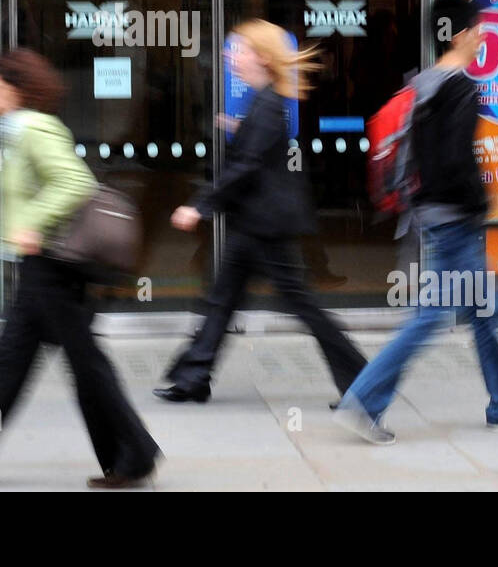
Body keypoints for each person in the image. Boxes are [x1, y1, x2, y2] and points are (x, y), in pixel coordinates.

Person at [0, 49, 160, 488]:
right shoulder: (17, 128)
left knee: (82, 365)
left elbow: (75, 182)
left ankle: (136, 453)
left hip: (53, 267)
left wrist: (31, 225)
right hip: (40, 265)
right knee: (9, 364)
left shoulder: (34, 128)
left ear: (18, 89)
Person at [333, 0, 498, 444]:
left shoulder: (424, 83)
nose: (484, 35)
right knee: (430, 317)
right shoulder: (460, 88)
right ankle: (365, 399)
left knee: (486, 309)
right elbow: (453, 163)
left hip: (433, 215)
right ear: (460, 34)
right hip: (456, 221)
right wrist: (479, 202)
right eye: (479, 28)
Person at [154, 20, 368, 403]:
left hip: (266, 225)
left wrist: (199, 205)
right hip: (253, 221)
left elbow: (247, 165)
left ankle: (363, 385)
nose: (228, 54)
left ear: (262, 58)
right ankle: (193, 377)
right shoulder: (264, 100)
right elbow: (258, 153)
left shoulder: (269, 103)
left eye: (239, 49)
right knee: (221, 299)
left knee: (300, 305)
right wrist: (237, 125)